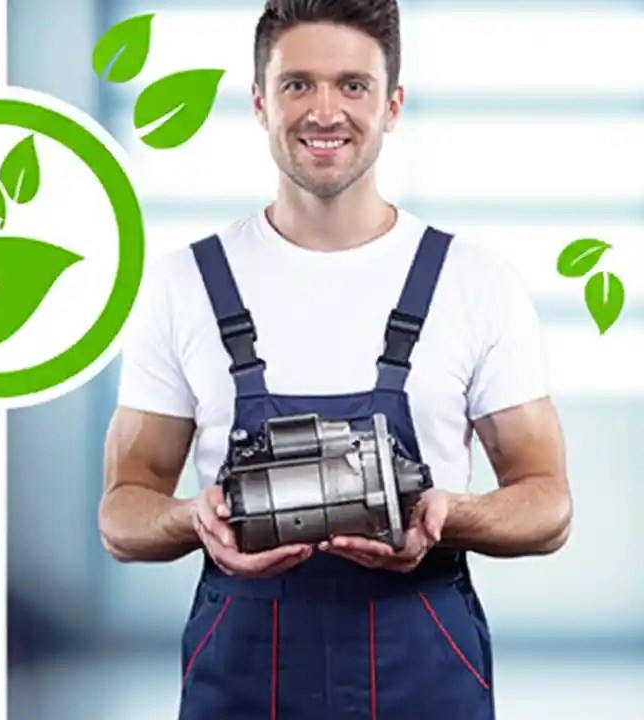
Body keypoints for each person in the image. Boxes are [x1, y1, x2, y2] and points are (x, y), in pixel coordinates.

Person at [99, 1, 571, 718]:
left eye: (353, 85)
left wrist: (448, 513)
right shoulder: (183, 285)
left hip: (424, 668)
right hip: (243, 678)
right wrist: (199, 519)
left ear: (393, 105)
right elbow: (121, 513)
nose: (325, 111)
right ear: (259, 102)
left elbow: (549, 505)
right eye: (298, 85)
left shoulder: (474, 282)